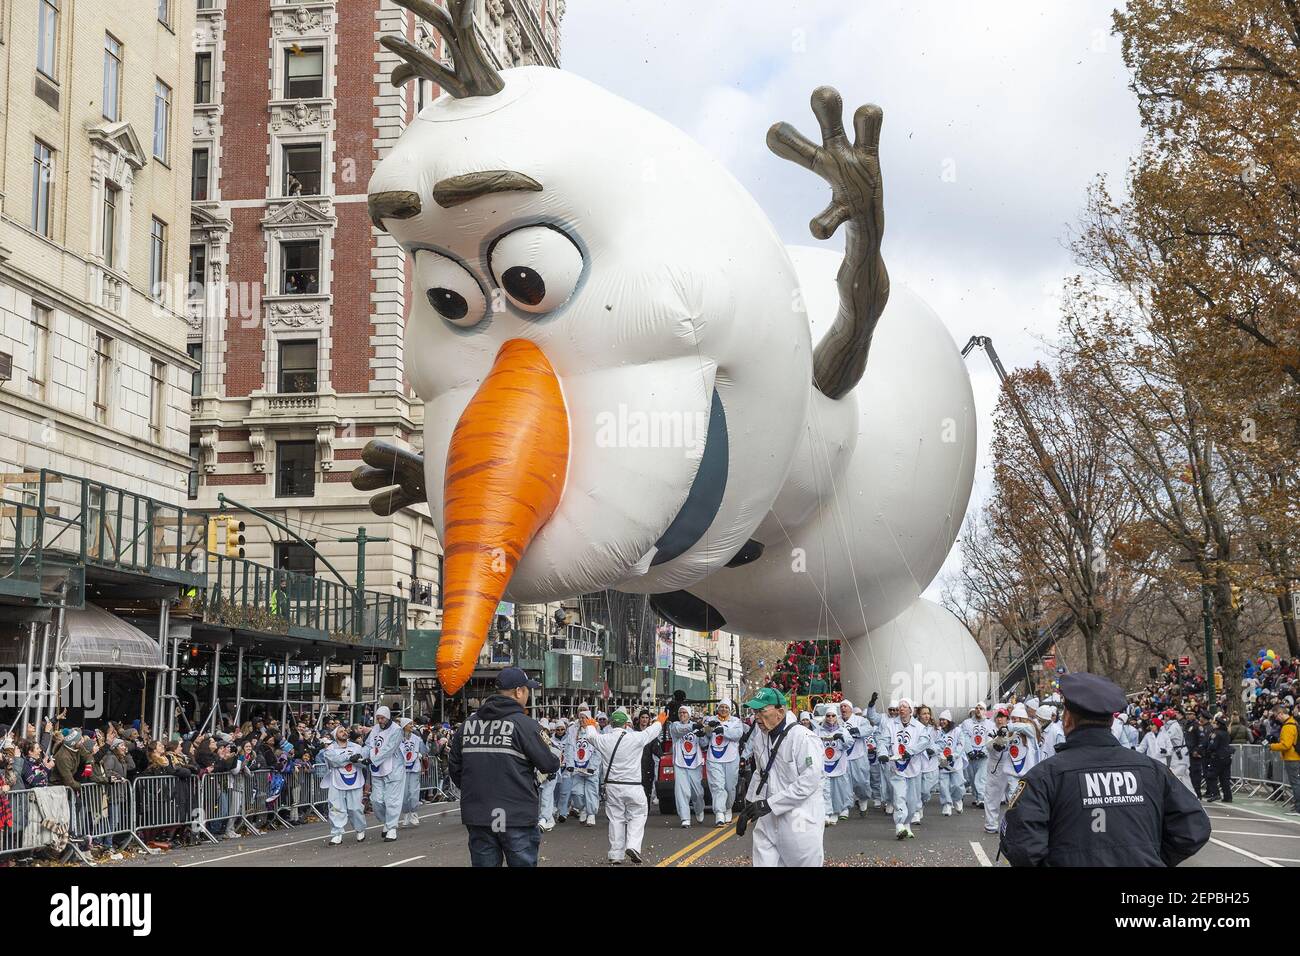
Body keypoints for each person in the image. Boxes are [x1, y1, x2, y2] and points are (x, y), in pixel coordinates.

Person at [1000, 672, 1211, 866]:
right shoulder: (1153, 770)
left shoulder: (1044, 776)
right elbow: (1193, 828)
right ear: (1111, 721)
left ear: (1067, 720)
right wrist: (1152, 858)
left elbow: (1021, 846)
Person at [448, 668, 559, 867]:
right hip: (517, 815)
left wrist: (476, 791)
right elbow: (549, 764)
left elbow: (455, 768)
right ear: (518, 692)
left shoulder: (467, 725)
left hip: (479, 814)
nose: (527, 695)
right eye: (527, 690)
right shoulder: (525, 725)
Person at [737, 688, 824, 867]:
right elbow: (760, 773)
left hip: (799, 820)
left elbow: (810, 781)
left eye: (762, 711)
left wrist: (770, 804)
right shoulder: (760, 737)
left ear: (780, 712)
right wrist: (750, 804)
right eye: (755, 712)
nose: (757, 717)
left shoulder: (803, 737)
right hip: (768, 819)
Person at [579, 707, 667, 864]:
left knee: (616, 819)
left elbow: (591, 736)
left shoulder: (604, 739)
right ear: (626, 724)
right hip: (633, 785)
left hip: (612, 786)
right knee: (638, 814)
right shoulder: (635, 738)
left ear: (612, 724)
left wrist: (591, 725)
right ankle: (633, 845)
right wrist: (660, 720)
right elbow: (651, 732)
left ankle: (615, 854)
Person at [983, 704, 1039, 836]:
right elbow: (999, 745)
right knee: (1014, 802)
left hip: (1028, 774)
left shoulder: (1030, 729)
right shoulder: (1010, 732)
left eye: (1015, 718)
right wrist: (997, 744)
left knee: (1027, 803)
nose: (1013, 721)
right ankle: (1009, 827)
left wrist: (1008, 727)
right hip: (1012, 774)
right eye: (1012, 718)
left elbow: (1023, 727)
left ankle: (1027, 827)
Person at [880, 698, 930, 839]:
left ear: (910, 710)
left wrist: (911, 751)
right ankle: (899, 824)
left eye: (905, 706)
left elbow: (925, 741)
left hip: (914, 768)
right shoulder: (890, 725)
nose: (901, 709)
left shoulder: (920, 727)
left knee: (912, 801)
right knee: (899, 795)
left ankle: (907, 825)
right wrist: (883, 753)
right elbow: (883, 741)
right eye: (900, 706)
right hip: (897, 767)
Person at [319, 725, 367, 845]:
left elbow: (364, 763)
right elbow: (334, 761)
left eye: (345, 731)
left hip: (355, 781)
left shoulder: (357, 747)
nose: (344, 733)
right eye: (341, 731)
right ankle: (337, 834)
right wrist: (350, 758)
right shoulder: (330, 749)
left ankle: (360, 829)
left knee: (355, 808)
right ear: (335, 735)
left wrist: (359, 759)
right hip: (337, 782)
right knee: (336, 808)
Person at [364, 705, 405, 841]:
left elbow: (389, 749)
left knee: (392, 800)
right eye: (378, 718)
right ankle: (387, 822)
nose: (380, 721)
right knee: (376, 800)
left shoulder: (397, 730)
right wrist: (359, 755)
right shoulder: (375, 729)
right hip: (377, 770)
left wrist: (372, 759)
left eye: (382, 718)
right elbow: (369, 745)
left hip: (394, 769)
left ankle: (392, 828)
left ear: (388, 718)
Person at [704, 699, 743, 827]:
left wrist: (723, 730)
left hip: (731, 758)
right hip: (714, 759)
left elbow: (737, 735)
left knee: (730, 788)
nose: (724, 709)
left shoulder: (735, 721)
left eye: (726, 707)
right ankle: (719, 814)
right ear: (718, 708)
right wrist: (708, 729)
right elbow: (705, 738)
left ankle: (727, 808)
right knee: (717, 786)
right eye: (722, 707)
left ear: (730, 709)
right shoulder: (710, 719)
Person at [668, 705, 706, 827]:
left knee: (698, 793)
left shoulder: (696, 727)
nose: (682, 714)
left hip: (695, 763)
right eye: (680, 713)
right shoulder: (674, 725)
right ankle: (685, 818)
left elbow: (704, 743)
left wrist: (702, 735)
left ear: (689, 715)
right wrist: (694, 726)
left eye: (685, 713)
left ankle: (699, 809)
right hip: (680, 763)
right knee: (682, 792)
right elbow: (680, 730)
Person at [839, 700, 873, 816]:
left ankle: (863, 800)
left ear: (850, 708)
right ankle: (845, 808)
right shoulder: (837, 721)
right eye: (841, 706)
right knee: (844, 783)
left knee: (861, 782)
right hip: (842, 758)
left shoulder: (859, 720)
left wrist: (858, 731)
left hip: (858, 757)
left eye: (845, 706)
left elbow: (869, 729)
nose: (843, 709)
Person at [1266, 703, 1298, 813]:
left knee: (1295, 783)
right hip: (1294, 757)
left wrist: (1272, 746)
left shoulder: (1288, 726)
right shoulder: (1293, 723)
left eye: (1276, 716)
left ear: (1280, 713)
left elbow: (1286, 745)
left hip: (1292, 758)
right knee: (1295, 782)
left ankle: (1298, 807)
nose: (1276, 718)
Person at [935, 710, 967, 816]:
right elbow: (935, 745)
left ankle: (957, 800)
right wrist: (940, 757)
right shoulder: (938, 731)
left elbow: (961, 744)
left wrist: (954, 755)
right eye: (940, 720)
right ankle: (947, 804)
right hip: (942, 763)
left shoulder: (957, 731)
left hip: (955, 763)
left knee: (958, 785)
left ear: (949, 720)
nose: (942, 722)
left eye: (944, 720)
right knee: (944, 786)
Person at [961, 704, 993, 806]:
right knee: (972, 777)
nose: (978, 710)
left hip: (983, 756)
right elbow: (964, 737)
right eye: (977, 708)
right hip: (971, 756)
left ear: (985, 711)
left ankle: (982, 798)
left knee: (981, 777)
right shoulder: (967, 723)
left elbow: (990, 738)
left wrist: (984, 751)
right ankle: (976, 796)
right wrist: (969, 751)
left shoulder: (989, 724)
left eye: (981, 708)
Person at [399, 717, 426, 827]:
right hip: (402, 770)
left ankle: (414, 813)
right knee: (404, 794)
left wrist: (422, 751)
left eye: (412, 724)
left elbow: (424, 751)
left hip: (414, 768)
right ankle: (406, 814)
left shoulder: (416, 738)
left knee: (413, 792)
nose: (412, 726)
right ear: (404, 726)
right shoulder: (398, 739)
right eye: (409, 724)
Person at [1202, 716, 1234, 803]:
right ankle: (1228, 797)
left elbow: (1212, 746)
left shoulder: (1216, 733)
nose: (1214, 724)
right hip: (1226, 757)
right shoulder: (1226, 733)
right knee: (1224, 778)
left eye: (1215, 723)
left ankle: (1215, 794)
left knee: (1211, 776)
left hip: (1217, 757)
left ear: (1218, 724)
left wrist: (1207, 750)